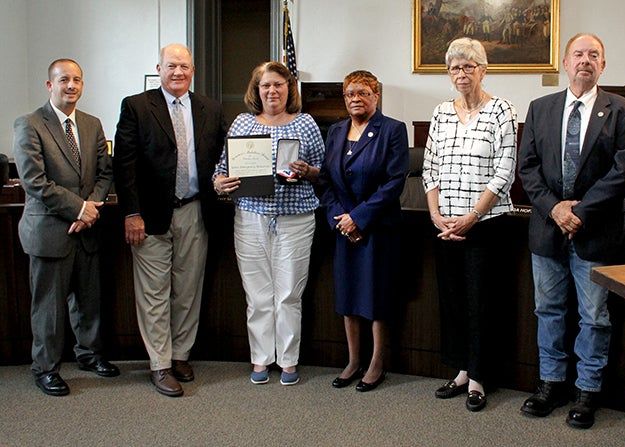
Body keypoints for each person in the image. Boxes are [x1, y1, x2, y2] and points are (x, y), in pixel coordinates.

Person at [518, 33, 625, 429]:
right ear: (565, 63)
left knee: (594, 316)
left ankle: (587, 391)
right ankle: (550, 383)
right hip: (547, 229)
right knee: (548, 310)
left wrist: (580, 212)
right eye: (578, 54)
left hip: (597, 231)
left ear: (603, 65)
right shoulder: (540, 108)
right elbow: (528, 168)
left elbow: (623, 172)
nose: (585, 61)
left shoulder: (623, 110)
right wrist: (554, 208)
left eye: (594, 55)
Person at [113, 43, 226, 397]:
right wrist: (131, 212)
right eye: (172, 66)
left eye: (185, 67)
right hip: (149, 215)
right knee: (154, 293)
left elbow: (223, 157)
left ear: (193, 71)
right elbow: (124, 164)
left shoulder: (210, 107)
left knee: (188, 289)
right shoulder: (136, 106)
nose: (178, 72)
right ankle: (160, 364)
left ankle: (180, 354)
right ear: (159, 68)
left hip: (195, 209)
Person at [213, 61, 324, 386]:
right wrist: (220, 182)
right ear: (256, 91)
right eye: (266, 86)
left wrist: (308, 171)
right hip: (250, 217)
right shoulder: (242, 123)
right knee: (258, 295)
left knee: (288, 293)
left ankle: (288, 361)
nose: (272, 91)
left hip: (296, 218)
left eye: (279, 84)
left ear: (289, 89)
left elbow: (324, 169)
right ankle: (261, 359)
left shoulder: (306, 124)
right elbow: (221, 168)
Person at [422, 37, 518, 412]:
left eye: (468, 66)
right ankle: (461, 369)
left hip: (485, 224)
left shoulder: (502, 111)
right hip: (445, 224)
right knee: (453, 301)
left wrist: (472, 217)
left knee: (482, 302)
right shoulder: (442, 112)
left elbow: (504, 172)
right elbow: (429, 168)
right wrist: (435, 215)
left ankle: (479, 377)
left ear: (483, 69)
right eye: (454, 68)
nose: (461, 74)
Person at [13, 58, 117, 396]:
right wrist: (79, 209)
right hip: (49, 230)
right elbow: (35, 182)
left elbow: (105, 173)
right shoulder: (29, 124)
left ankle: (88, 355)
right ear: (50, 85)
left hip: (87, 229)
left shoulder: (91, 124)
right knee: (49, 307)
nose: (70, 85)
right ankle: (45, 369)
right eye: (63, 80)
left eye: (76, 80)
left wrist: (91, 208)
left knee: (88, 301)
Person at [319, 70, 409, 392]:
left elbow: (393, 182)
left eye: (362, 93)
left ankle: (376, 363)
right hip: (344, 230)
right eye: (349, 94)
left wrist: (358, 217)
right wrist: (339, 218)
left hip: (378, 229)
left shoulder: (392, 130)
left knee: (376, 297)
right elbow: (326, 180)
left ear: (376, 96)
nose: (355, 99)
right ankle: (353, 360)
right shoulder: (336, 131)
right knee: (348, 296)